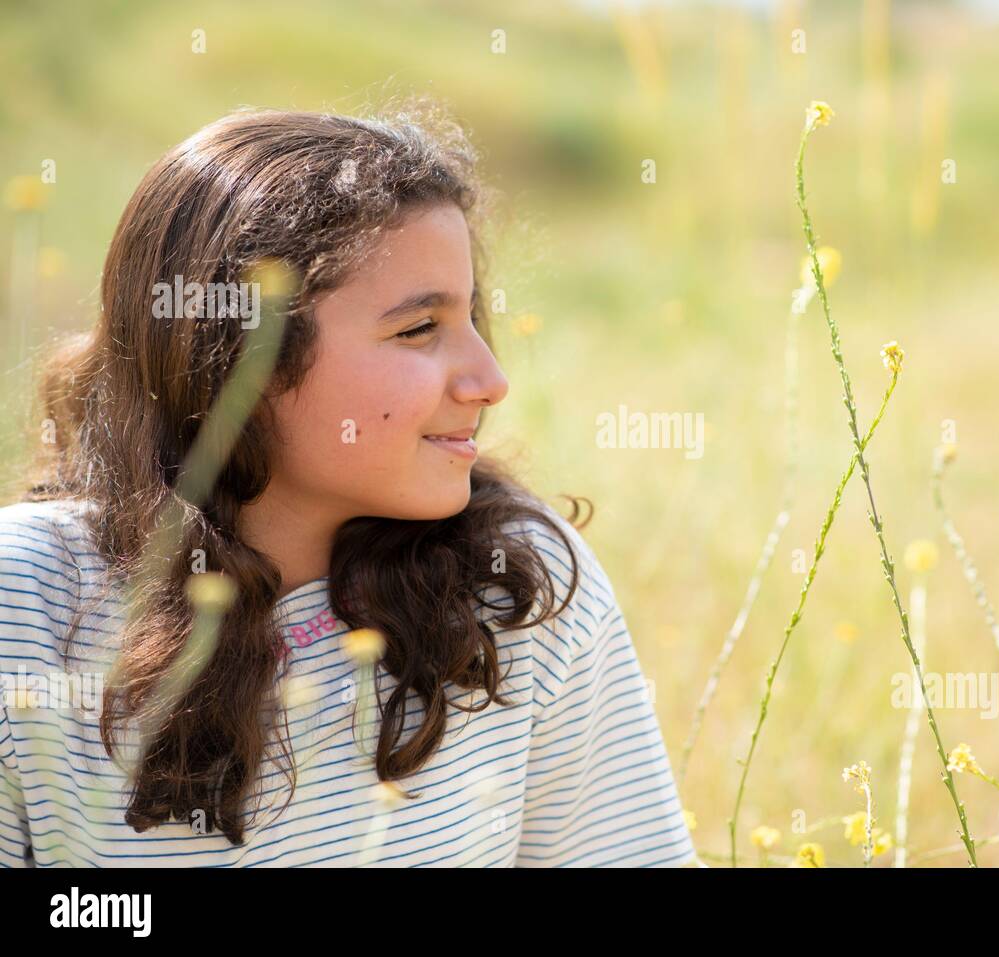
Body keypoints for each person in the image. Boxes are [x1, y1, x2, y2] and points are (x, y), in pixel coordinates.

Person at [0, 104, 697, 867]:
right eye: (417, 329)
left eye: (470, 317)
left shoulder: (518, 585)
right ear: (237, 361)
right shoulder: (28, 600)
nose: (491, 380)